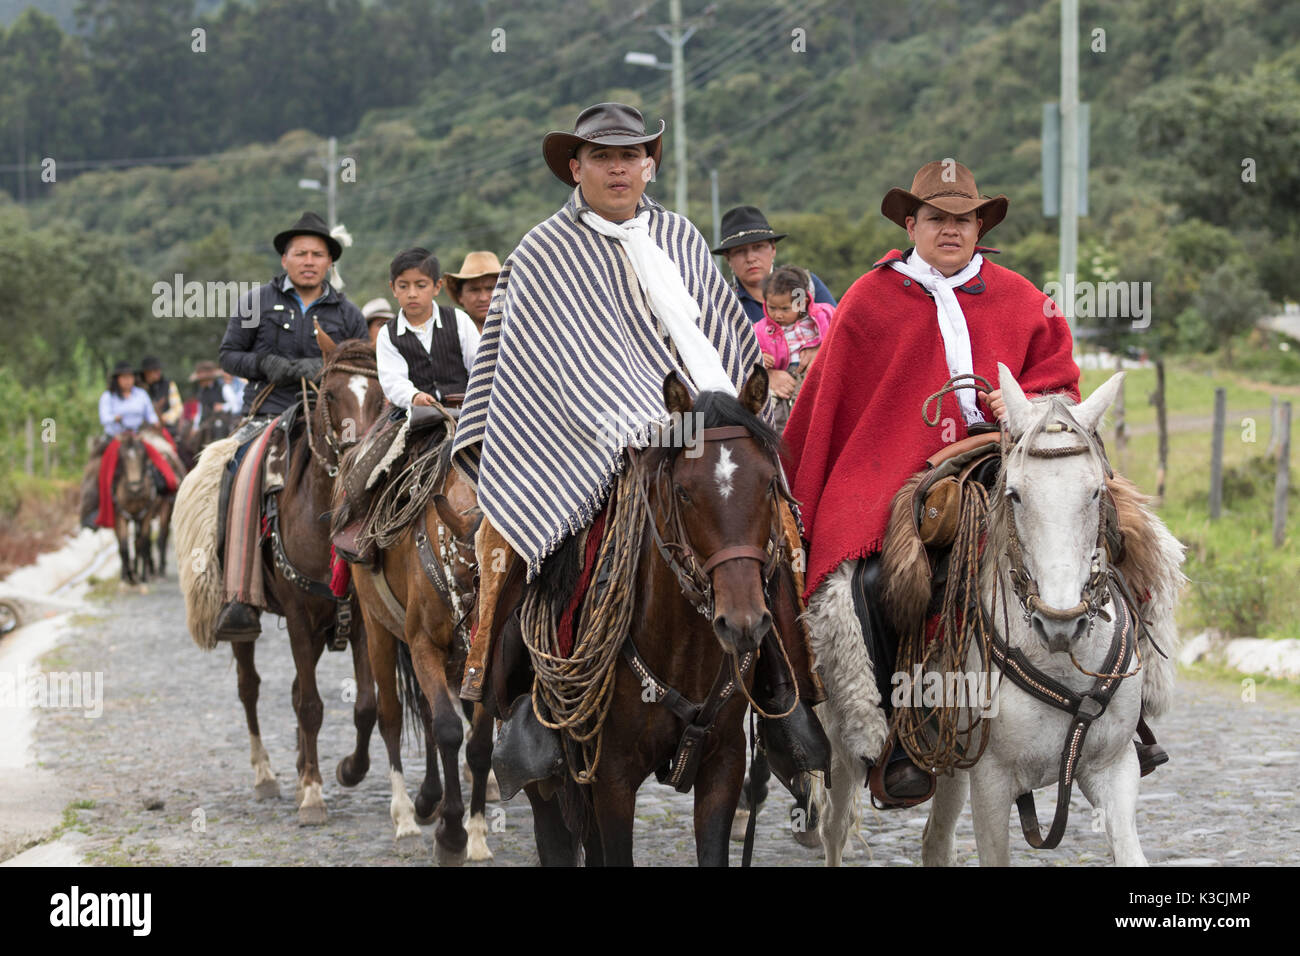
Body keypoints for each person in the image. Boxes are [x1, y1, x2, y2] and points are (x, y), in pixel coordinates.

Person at [449, 101, 828, 786]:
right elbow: (545, 363)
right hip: (580, 433)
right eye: (602, 155)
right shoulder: (541, 252)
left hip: (696, 420)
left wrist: (738, 414)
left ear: (650, 162)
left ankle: (782, 693)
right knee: (550, 545)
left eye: (631, 154)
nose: (619, 167)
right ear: (576, 165)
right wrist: (633, 424)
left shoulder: (680, 236)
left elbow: (722, 337)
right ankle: (528, 703)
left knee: (770, 527)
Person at [782, 160, 1084, 804]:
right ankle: (892, 731)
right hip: (892, 471)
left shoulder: (1021, 296)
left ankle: (1116, 708)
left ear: (981, 227)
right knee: (864, 578)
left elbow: (1061, 380)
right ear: (912, 224)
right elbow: (829, 402)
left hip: (1007, 460)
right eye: (938, 219)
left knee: (1110, 531)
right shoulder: (871, 297)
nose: (952, 230)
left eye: (964, 219)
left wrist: (1025, 402)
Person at [212, 211, 367, 641]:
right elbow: (228, 355)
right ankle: (237, 593)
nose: (309, 260)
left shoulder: (348, 313)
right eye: (300, 253)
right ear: (284, 259)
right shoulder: (255, 302)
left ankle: (370, 590)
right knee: (238, 472)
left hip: (328, 420)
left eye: (318, 254)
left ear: (330, 263)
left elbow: (360, 365)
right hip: (268, 416)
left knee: (373, 475)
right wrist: (266, 364)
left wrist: (322, 368)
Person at [376, 248, 480, 409]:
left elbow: (478, 365)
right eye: (403, 286)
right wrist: (414, 396)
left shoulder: (458, 320)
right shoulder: (387, 334)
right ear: (393, 289)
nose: (412, 294)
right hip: (415, 414)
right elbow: (393, 380)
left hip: (464, 409)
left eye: (421, 285)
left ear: (437, 287)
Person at [711, 205, 837, 323]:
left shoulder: (805, 284)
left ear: (773, 249)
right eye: (740, 251)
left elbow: (836, 327)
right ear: (728, 259)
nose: (750, 258)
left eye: (758, 247)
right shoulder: (724, 305)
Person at [79, 361, 167, 529]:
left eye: (130, 377)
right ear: (117, 380)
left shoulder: (141, 394)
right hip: (116, 438)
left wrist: (155, 422)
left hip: (139, 436)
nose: (128, 380)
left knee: (165, 456)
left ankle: (170, 492)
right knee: (95, 468)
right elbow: (105, 418)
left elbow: (150, 414)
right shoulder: (108, 397)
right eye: (124, 377)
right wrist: (115, 418)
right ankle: (91, 510)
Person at [755, 265, 833, 431]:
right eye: (772, 308)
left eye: (785, 309)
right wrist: (761, 357)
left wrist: (823, 347)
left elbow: (840, 330)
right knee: (775, 410)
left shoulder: (821, 316)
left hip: (817, 374)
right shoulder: (763, 329)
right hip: (785, 379)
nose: (778, 315)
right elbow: (750, 350)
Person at [443, 251, 503, 333]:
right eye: (474, 290)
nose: (483, 298)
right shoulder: (448, 333)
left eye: (490, 288)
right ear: (460, 296)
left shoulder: (519, 330)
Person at [139, 356, 183, 439]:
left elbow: (177, 408)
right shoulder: (139, 389)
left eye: (158, 370)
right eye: (154, 371)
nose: (158, 372)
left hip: (166, 427)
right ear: (145, 373)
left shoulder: (168, 385)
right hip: (144, 428)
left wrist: (164, 418)